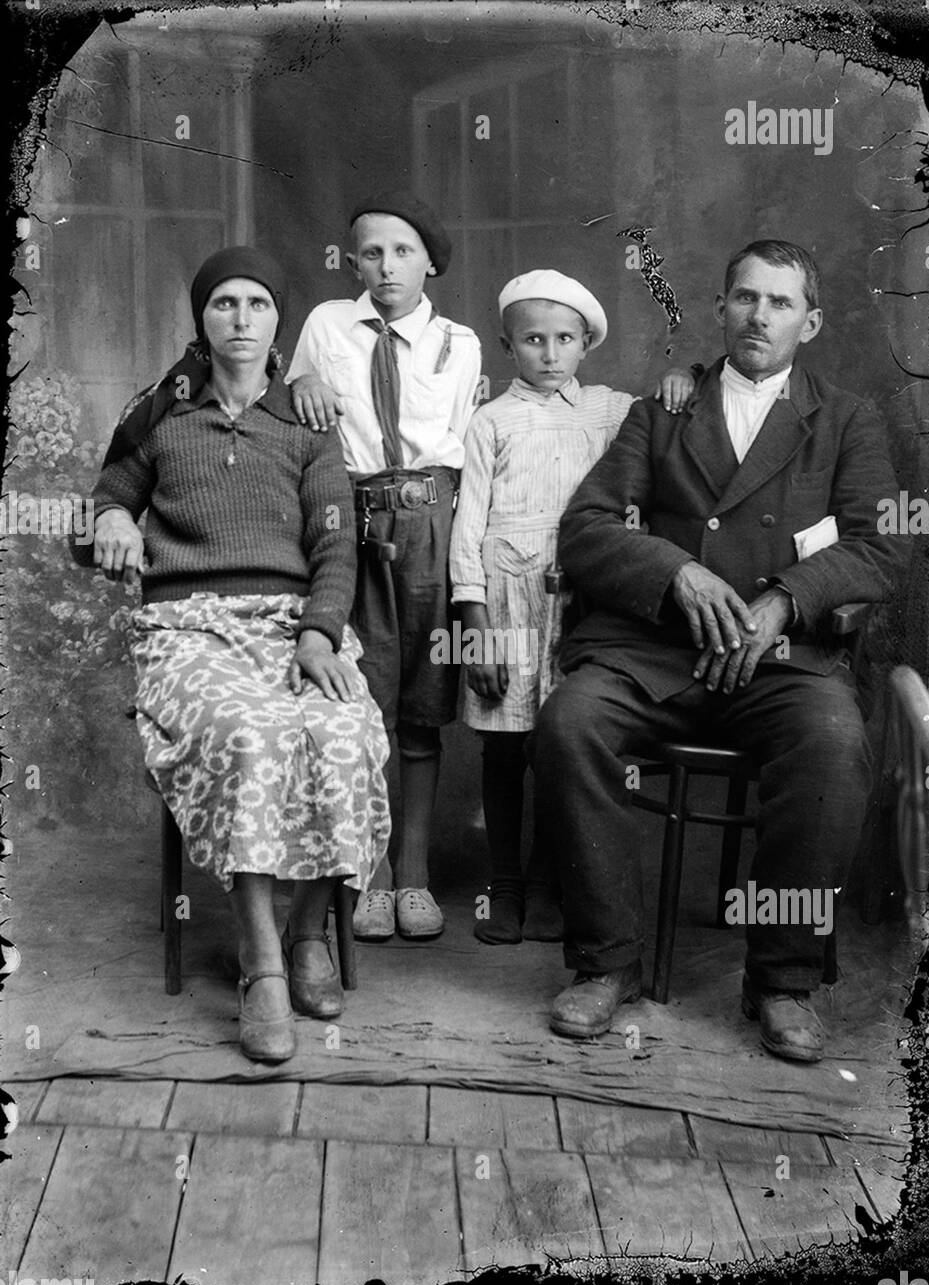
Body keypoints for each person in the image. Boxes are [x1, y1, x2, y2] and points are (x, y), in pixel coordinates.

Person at [531, 239, 908, 1061]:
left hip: (780, 658)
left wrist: (783, 599)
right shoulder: (665, 409)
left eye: (778, 304)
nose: (758, 316)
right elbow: (588, 528)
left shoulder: (846, 419)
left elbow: (881, 549)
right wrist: (678, 575)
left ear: (809, 323)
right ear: (720, 309)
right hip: (658, 648)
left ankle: (782, 979)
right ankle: (606, 964)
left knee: (837, 743)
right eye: (744, 298)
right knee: (571, 722)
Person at [75, 246, 391, 1065]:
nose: (241, 319)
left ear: (277, 320)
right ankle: (261, 970)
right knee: (251, 736)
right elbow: (111, 493)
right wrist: (112, 520)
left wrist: (320, 633)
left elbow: (334, 548)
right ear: (202, 319)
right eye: (224, 305)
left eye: (256, 303)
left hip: (291, 625)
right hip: (188, 628)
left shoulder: (306, 427)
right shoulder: (164, 417)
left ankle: (309, 934)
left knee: (345, 731)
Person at [287, 193, 481, 944]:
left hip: (433, 521)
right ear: (352, 262)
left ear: (429, 260)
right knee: (360, 698)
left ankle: (415, 872)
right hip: (351, 519)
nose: (385, 266)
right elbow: (299, 396)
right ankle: (364, 873)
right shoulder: (327, 326)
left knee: (423, 707)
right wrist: (300, 382)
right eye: (370, 253)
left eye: (401, 252)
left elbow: (468, 443)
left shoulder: (460, 343)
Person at [449, 270, 637, 944]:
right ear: (509, 346)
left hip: (580, 604)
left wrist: (687, 374)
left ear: (585, 344)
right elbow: (467, 525)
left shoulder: (610, 410)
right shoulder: (490, 421)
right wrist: (473, 626)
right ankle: (504, 885)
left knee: (564, 746)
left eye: (564, 339)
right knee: (504, 748)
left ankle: (550, 878)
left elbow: (683, 409)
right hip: (505, 600)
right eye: (534, 339)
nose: (550, 353)